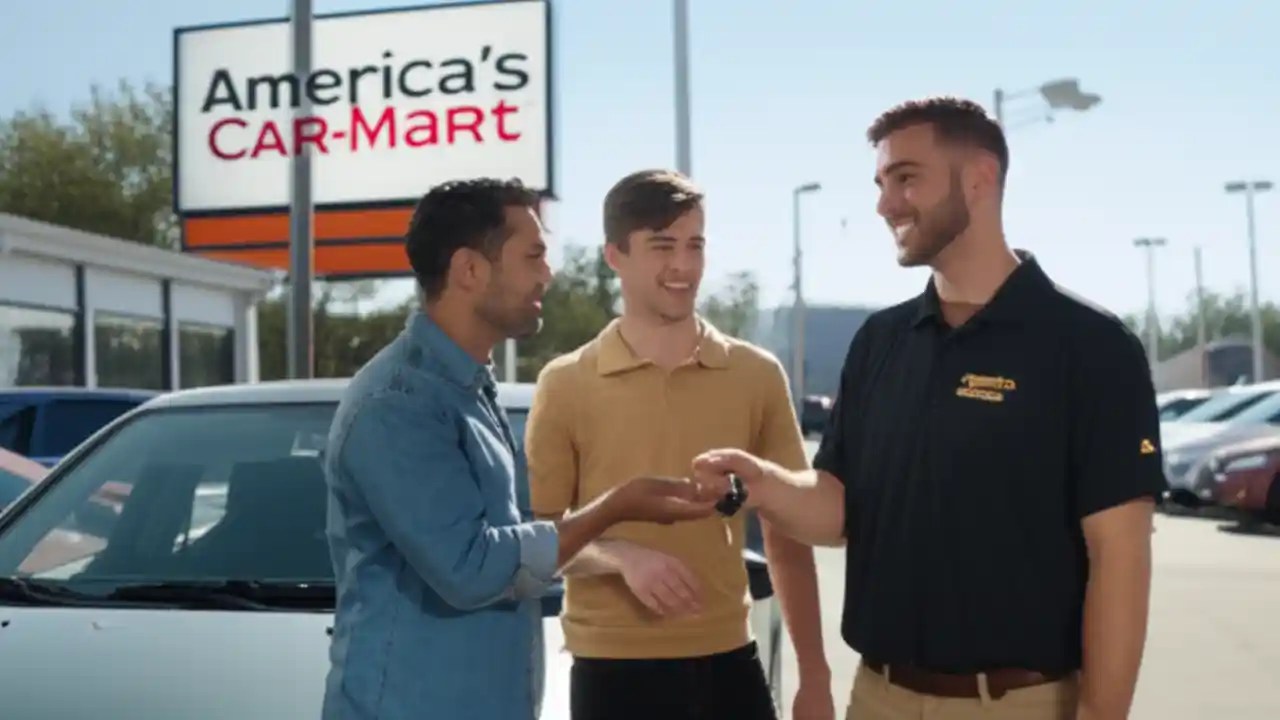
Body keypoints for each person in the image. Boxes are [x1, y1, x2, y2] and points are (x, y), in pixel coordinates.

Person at [692, 97, 1167, 720]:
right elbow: (841, 511)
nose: (886, 204)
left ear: (979, 179)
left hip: (1018, 704)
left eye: (906, 178)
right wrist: (765, 484)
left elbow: (1121, 558)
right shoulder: (880, 343)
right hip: (877, 697)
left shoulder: (1090, 347)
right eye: (882, 183)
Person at [320, 178, 725, 720]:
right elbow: (473, 568)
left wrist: (617, 550)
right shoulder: (397, 406)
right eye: (532, 255)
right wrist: (619, 505)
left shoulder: (468, 389)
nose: (548, 273)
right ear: (470, 270)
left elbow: (515, 546)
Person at [524, 169, 835, 720]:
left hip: (729, 663)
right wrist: (621, 556)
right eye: (662, 246)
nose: (683, 266)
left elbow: (788, 534)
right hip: (610, 672)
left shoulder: (755, 374)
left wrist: (814, 677)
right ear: (615, 255)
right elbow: (542, 538)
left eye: (695, 245)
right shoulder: (565, 383)